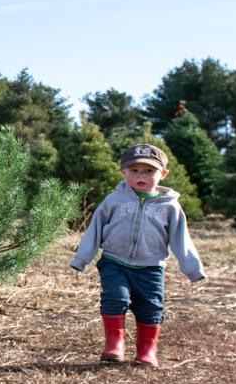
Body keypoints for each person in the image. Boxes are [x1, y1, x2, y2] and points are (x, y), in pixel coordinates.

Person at [69, 144, 206, 368]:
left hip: (151, 267)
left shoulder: (170, 206)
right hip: (115, 262)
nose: (141, 176)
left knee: (151, 307)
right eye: (134, 170)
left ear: (163, 175)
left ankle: (147, 350)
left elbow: (181, 239)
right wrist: (81, 259)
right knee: (116, 298)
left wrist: (193, 268)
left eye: (149, 171)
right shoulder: (114, 200)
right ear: (124, 172)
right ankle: (115, 345)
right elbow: (94, 230)